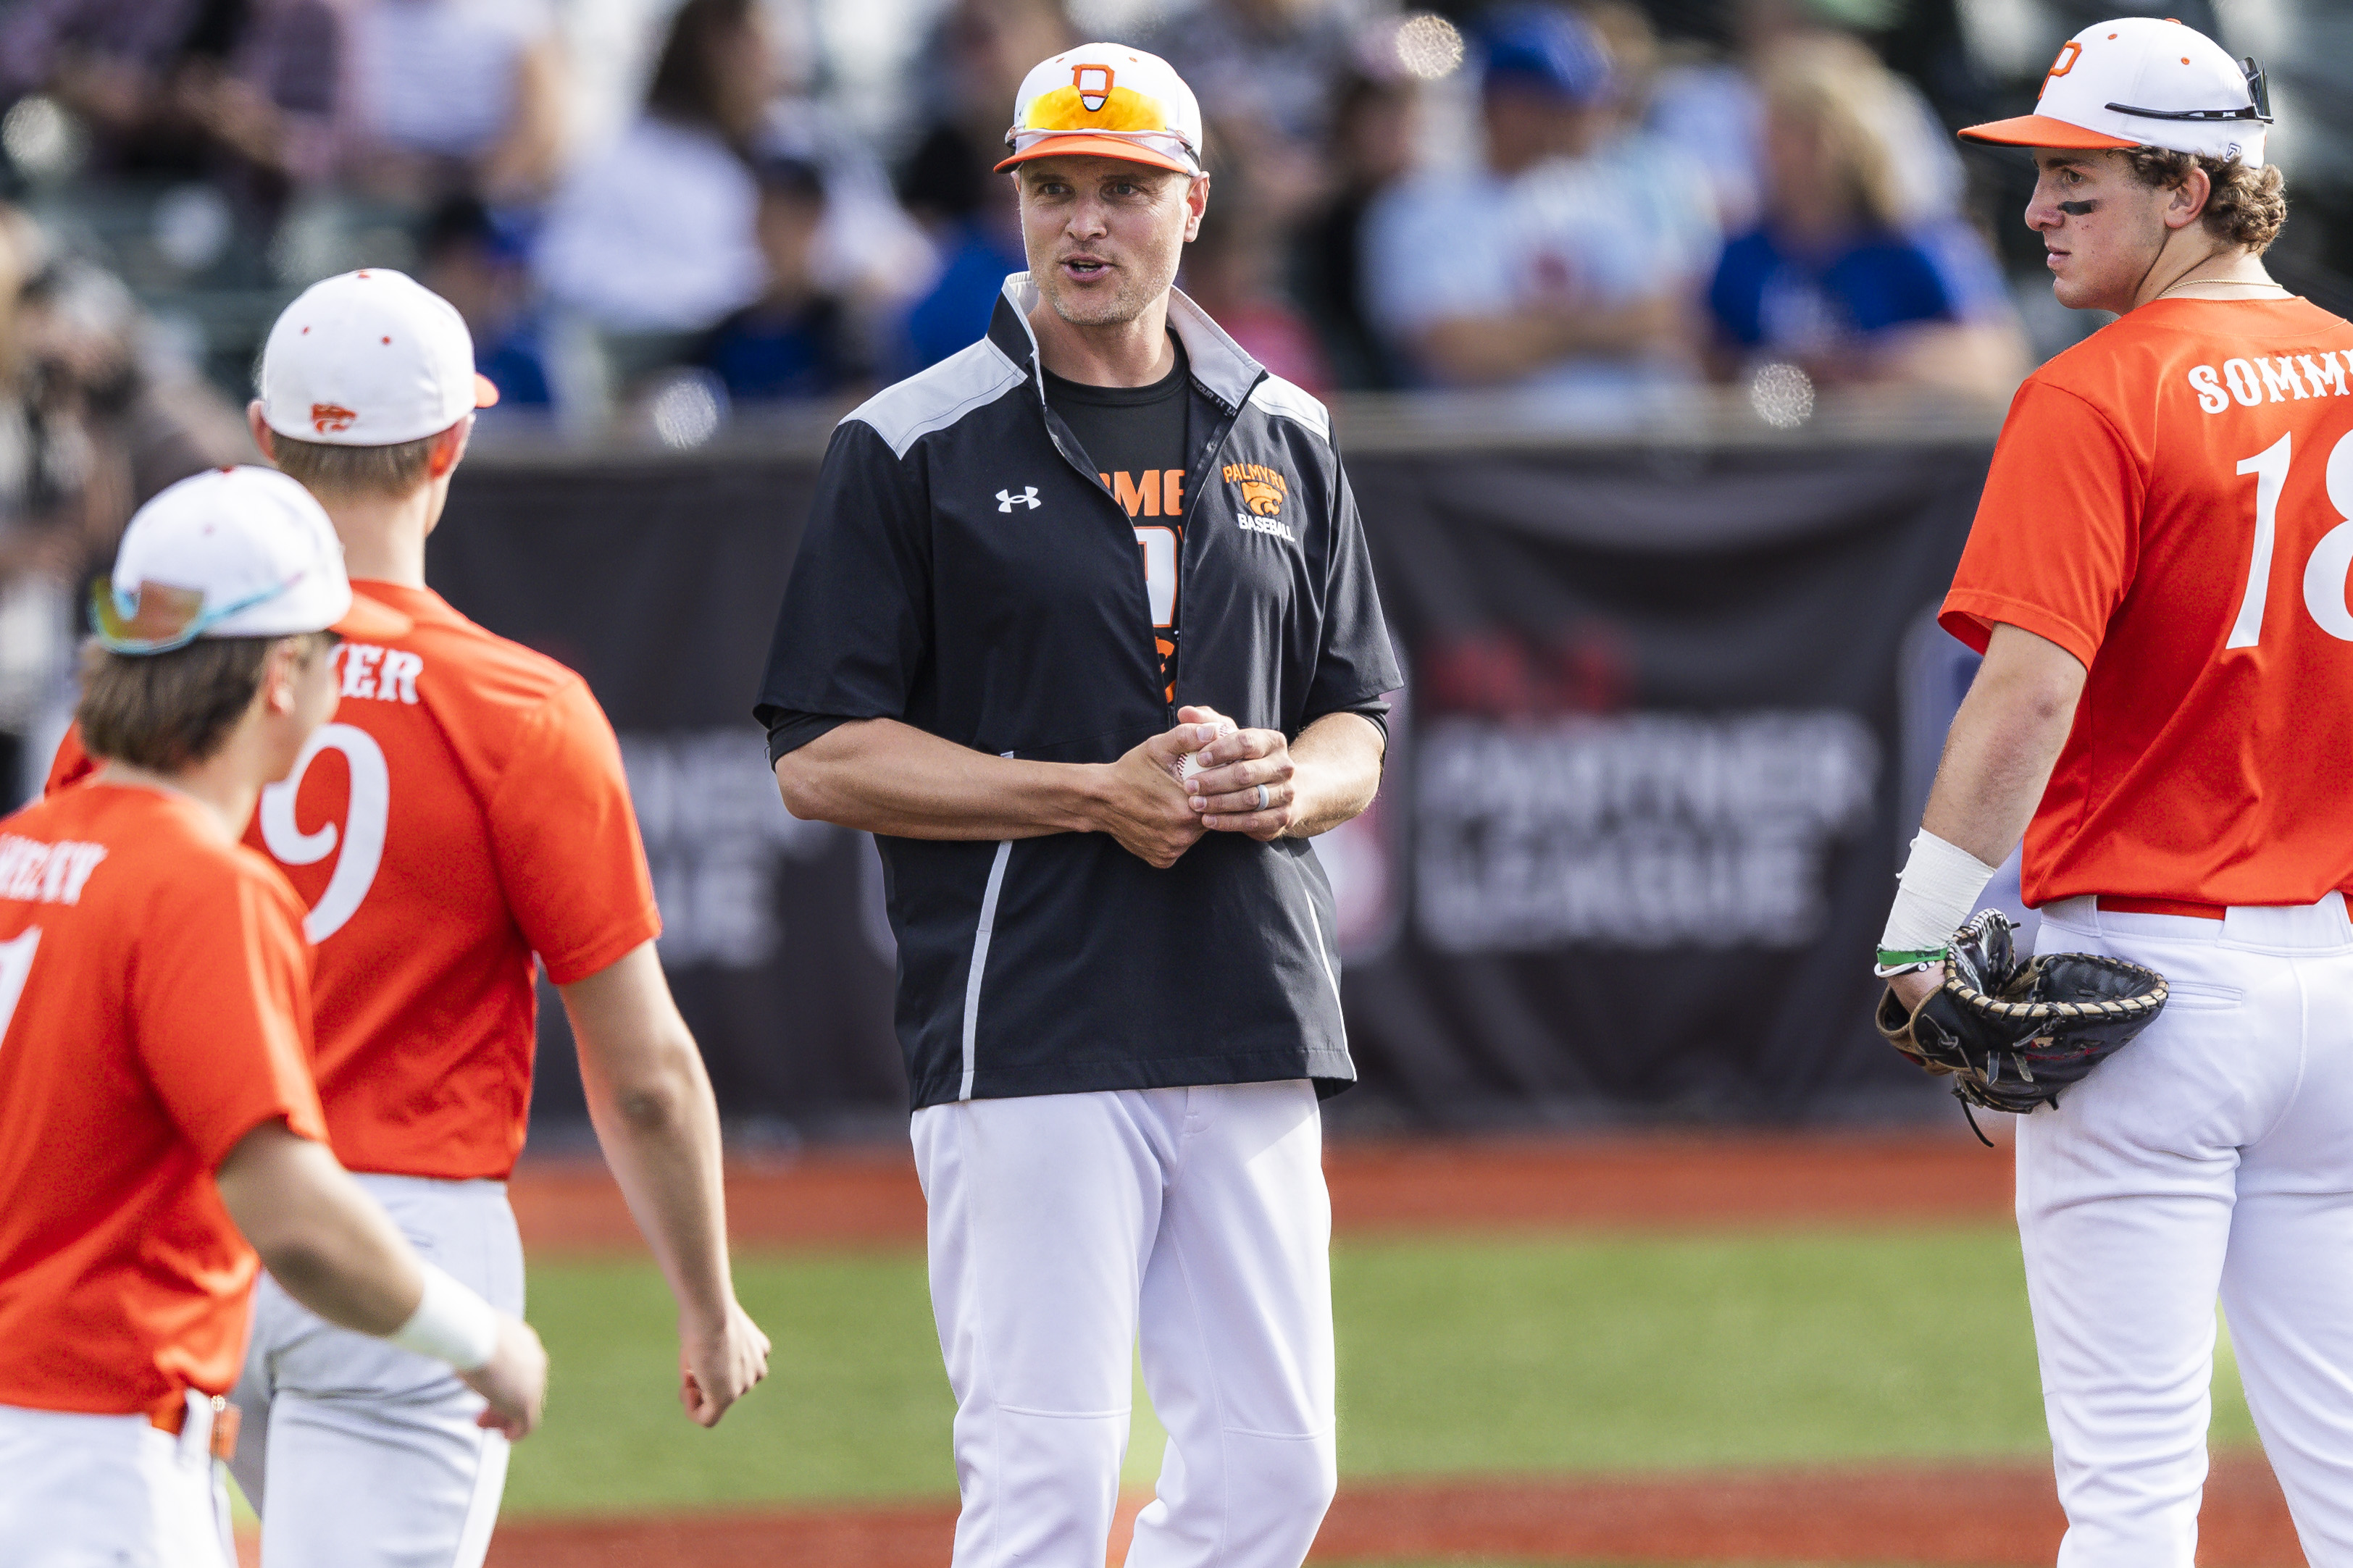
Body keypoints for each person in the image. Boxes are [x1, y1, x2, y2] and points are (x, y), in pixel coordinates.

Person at [756, 43, 1400, 1568]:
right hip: (1025, 1015)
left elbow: (1357, 719)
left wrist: (1283, 778)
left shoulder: (1285, 427)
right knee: (1041, 1486)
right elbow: (819, 754)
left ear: (1193, 201)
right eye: (1052, 189)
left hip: (1246, 996)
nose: (1084, 224)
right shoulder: (907, 438)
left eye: (1122, 189)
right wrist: (1082, 794)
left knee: (1276, 1471)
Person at [49, 269, 772, 1567]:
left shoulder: (127, 720)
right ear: (452, 445)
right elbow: (646, 1072)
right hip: (407, 1239)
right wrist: (708, 1303)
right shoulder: (521, 708)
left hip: (184, 1234)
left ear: (263, 441)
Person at [1873, 18, 2353, 1563]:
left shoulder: (2094, 391)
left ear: (2189, 185)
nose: (2037, 211)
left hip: (2149, 975)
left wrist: (1914, 934)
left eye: (2076, 177)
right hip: (2331, 981)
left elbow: (2026, 691)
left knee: (2131, 1502)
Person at [0, 466, 547, 1567]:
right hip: (96, 1465)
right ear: (282, 675)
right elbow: (290, 1214)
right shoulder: (204, 886)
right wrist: (479, 1338)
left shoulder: (20, 848)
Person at [1360, 6, 1718, 402]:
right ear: (1509, 108)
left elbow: (1662, 318)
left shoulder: (1605, 191)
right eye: (1556, 105)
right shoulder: (1418, 207)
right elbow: (1461, 350)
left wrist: (1537, 332)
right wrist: (1600, 328)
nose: (1579, 118)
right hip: (1482, 457)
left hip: (1625, 452)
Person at [1706, 35, 2026, 396]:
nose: (1782, 150)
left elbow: (1994, 356)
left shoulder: (1916, 240)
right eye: (1777, 130)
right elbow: (1711, 368)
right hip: (1780, 446)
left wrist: (1865, 364)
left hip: (1901, 446)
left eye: (1807, 132)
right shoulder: (1745, 253)